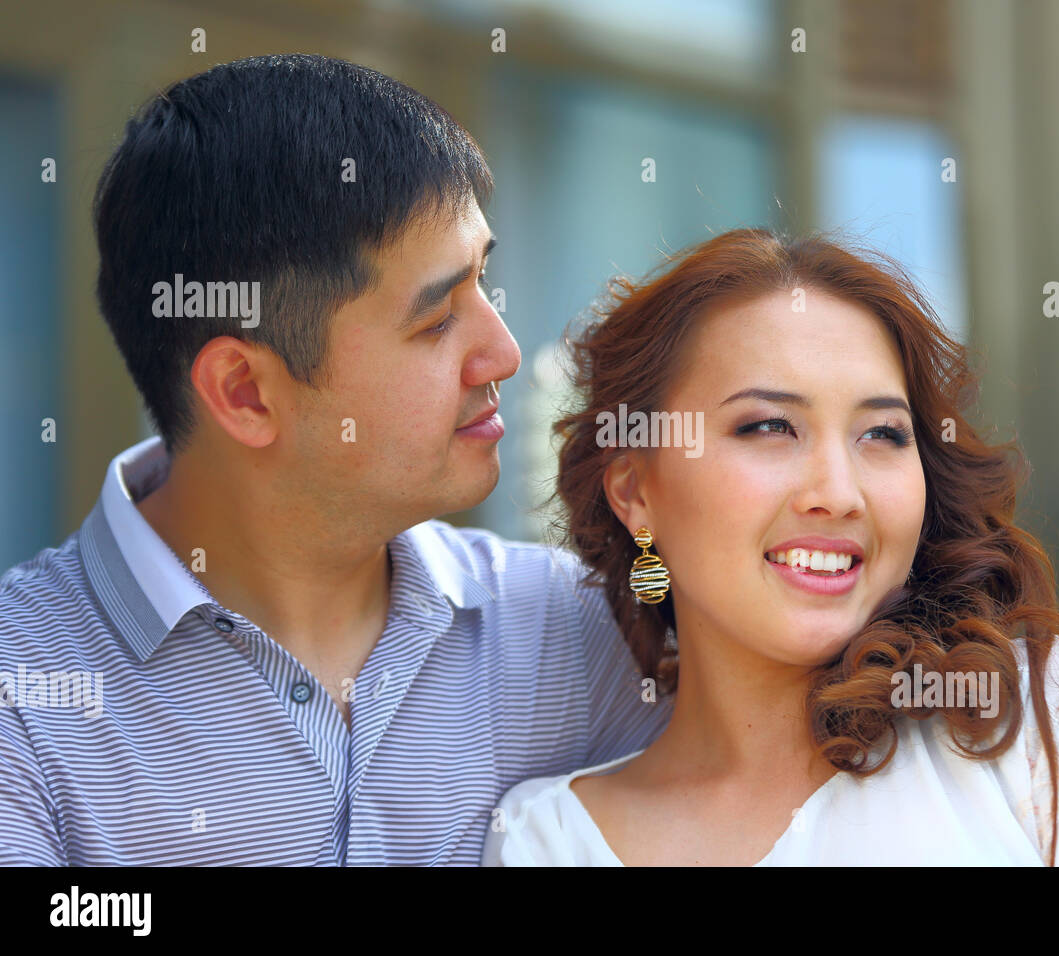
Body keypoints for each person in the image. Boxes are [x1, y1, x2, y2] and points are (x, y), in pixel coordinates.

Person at [0, 54, 670, 865]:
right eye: (434, 323)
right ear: (244, 393)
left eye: (484, 284)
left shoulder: (582, 632)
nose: (503, 353)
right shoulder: (24, 700)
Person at [481, 228, 1059, 866]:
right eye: (769, 427)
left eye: (882, 435)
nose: (839, 491)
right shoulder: (546, 839)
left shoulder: (1035, 710)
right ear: (635, 489)